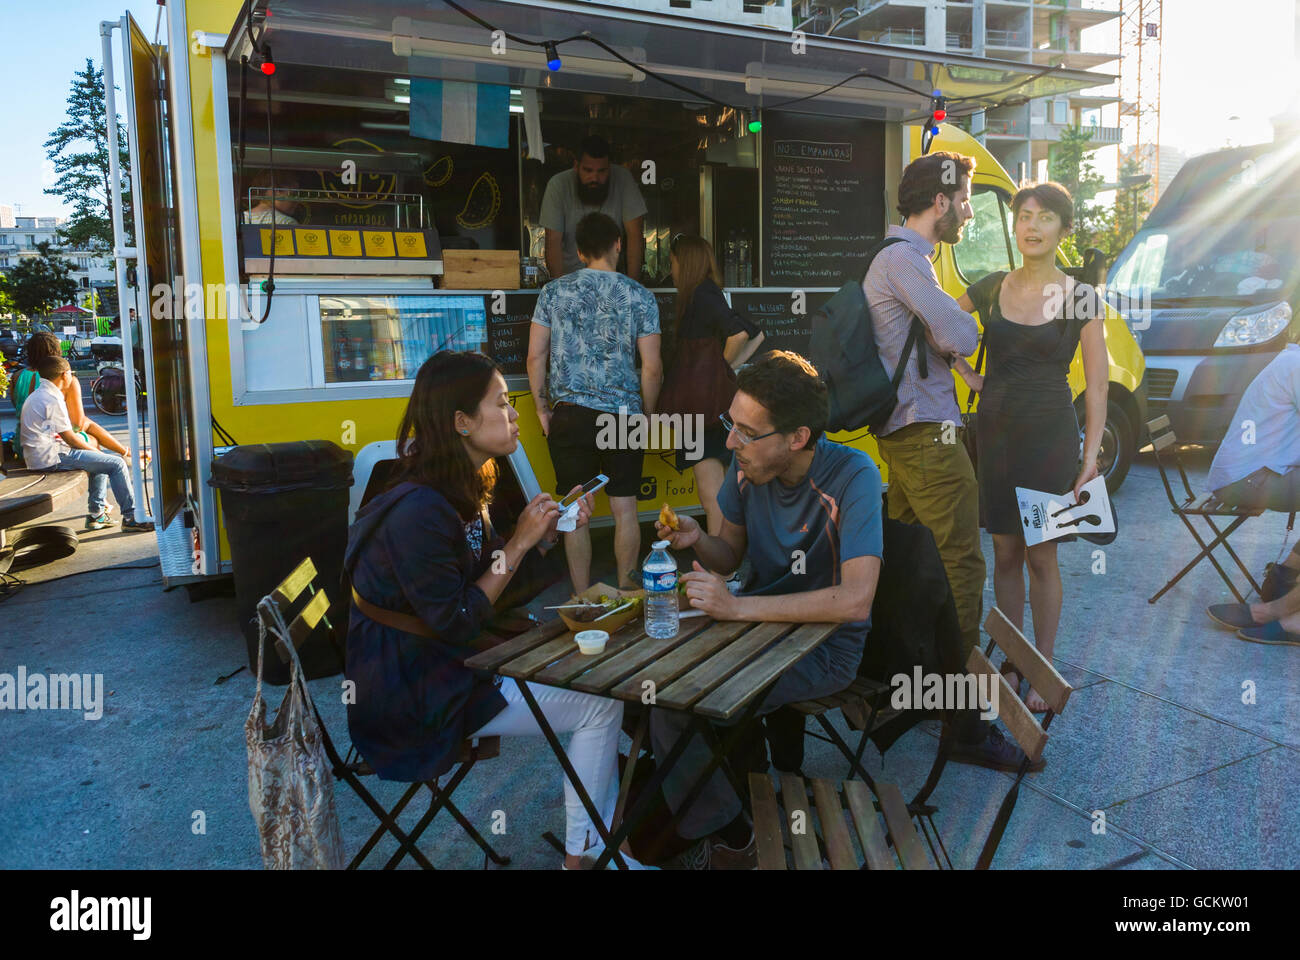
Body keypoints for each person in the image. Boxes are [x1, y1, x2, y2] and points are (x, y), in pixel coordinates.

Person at [343, 351, 650, 869]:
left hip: (442, 662)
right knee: (600, 701)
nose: (513, 415)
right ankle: (587, 859)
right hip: (413, 694)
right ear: (462, 422)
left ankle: (603, 844)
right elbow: (459, 617)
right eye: (502, 404)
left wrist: (545, 536)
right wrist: (519, 543)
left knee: (598, 677)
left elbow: (491, 587)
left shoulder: (457, 485)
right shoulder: (418, 511)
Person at [649, 351, 884, 869]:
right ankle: (727, 800)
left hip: (823, 647)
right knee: (652, 677)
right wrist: (696, 539)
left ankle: (732, 835)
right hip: (752, 626)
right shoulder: (746, 462)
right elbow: (728, 553)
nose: (731, 442)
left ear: (797, 438)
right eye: (729, 425)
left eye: (746, 432)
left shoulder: (852, 476)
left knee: (679, 699)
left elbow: (855, 598)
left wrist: (738, 607)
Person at [863, 151, 1036, 771]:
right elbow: (958, 334)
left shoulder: (902, 260)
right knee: (962, 569)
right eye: (963, 199)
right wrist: (959, 331)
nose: (967, 209)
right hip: (926, 435)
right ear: (939, 203)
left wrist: (947, 337)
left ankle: (907, 688)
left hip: (907, 433)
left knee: (915, 569)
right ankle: (964, 722)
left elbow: (939, 338)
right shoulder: (905, 261)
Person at [953, 181, 1108, 714]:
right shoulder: (991, 287)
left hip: (1049, 439)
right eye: (1024, 215)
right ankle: (1012, 661)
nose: (1032, 225)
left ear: (1064, 229)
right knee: (1004, 551)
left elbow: (1098, 383)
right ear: (1014, 224)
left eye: (1045, 217)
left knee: (1042, 556)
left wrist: (1089, 460)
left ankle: (1042, 668)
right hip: (995, 437)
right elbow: (937, 326)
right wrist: (967, 374)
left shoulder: (1082, 295)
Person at [527, 212, 662, 593]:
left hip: (569, 415)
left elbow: (536, 356)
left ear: (579, 250)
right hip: (624, 416)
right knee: (625, 508)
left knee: (574, 512)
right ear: (619, 243)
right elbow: (652, 367)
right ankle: (625, 590)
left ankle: (583, 597)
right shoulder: (640, 296)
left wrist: (541, 407)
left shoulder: (553, 292)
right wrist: (646, 415)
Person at [666, 233, 765, 535]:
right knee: (723, 495)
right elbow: (756, 334)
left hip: (700, 413)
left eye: (672, 263)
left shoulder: (701, 294)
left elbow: (739, 334)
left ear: (685, 263)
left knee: (712, 497)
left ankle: (721, 570)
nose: (671, 271)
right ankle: (727, 569)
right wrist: (724, 370)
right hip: (710, 409)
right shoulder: (707, 292)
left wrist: (720, 368)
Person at [1202, 338, 1300, 641]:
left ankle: (1285, 576)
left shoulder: (1290, 360)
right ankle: (1283, 602)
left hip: (1249, 475)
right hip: (1246, 481)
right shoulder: (1296, 365)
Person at [19, 356, 153, 532]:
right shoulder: (51, 399)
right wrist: (100, 454)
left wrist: (98, 454)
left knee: (101, 463)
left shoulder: (40, 394)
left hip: (43, 455)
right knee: (116, 464)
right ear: (65, 375)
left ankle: (97, 514)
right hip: (51, 458)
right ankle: (131, 517)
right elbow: (71, 439)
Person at [8, 331, 134, 461]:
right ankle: (126, 454)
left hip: (22, 444)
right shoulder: (65, 378)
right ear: (56, 351)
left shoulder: (17, 376)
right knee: (91, 439)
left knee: (86, 425)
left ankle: (126, 453)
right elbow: (77, 425)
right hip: (49, 445)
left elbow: (19, 407)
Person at [539, 135, 647, 279]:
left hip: (613, 282)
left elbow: (635, 236)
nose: (595, 178)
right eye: (588, 170)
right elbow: (553, 242)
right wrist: (561, 289)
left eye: (602, 171)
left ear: (610, 168)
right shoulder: (558, 185)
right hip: (570, 280)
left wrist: (633, 287)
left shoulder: (623, 179)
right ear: (576, 166)